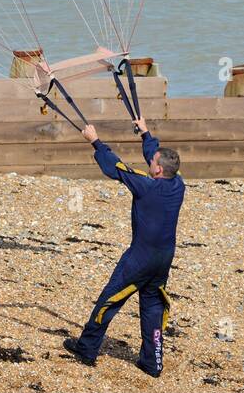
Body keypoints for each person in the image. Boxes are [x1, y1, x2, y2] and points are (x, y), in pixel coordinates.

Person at [65, 116, 184, 377]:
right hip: (163, 261)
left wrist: (94, 141)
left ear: (157, 171)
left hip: (139, 259)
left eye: (152, 162)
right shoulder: (178, 184)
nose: (150, 162)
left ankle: (86, 348)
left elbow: (116, 168)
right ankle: (152, 363)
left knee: (109, 300)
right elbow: (157, 156)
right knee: (153, 307)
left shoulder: (146, 186)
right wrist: (145, 133)